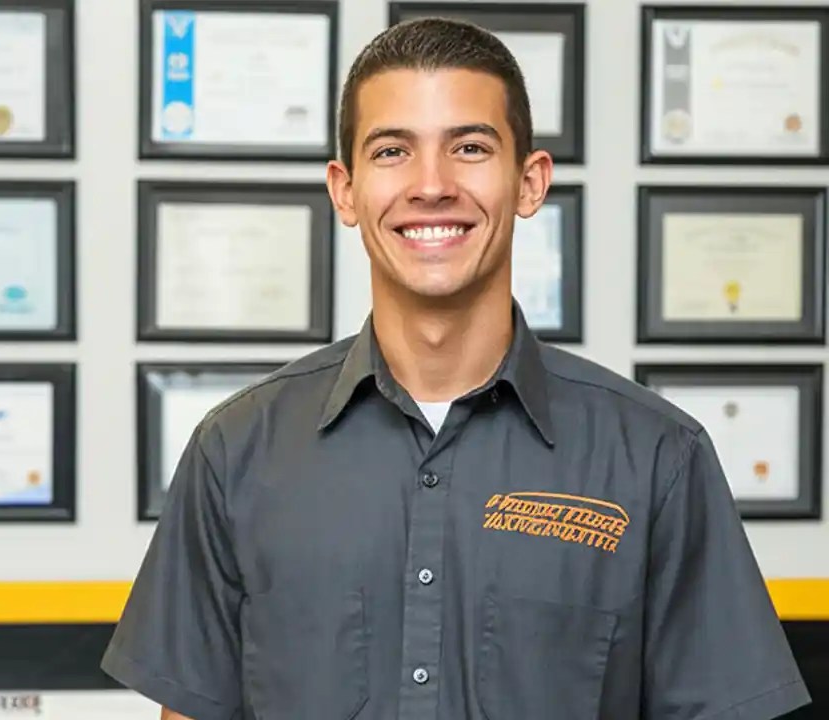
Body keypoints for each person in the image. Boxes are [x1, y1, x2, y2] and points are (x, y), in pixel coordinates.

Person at [100, 16, 812, 720]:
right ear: (344, 191)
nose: (431, 185)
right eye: (391, 152)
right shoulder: (236, 452)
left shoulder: (656, 458)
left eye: (469, 147)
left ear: (529, 182)